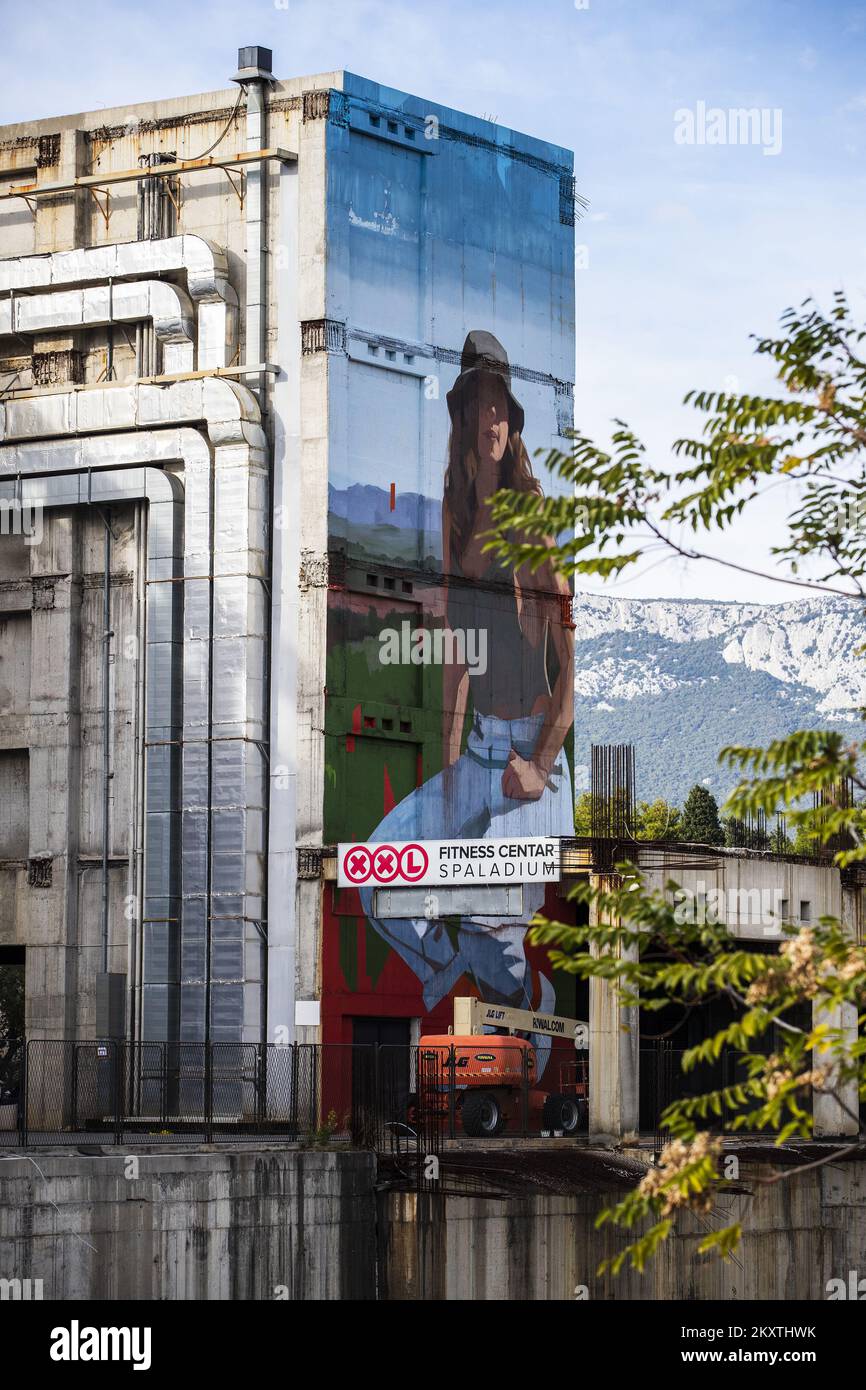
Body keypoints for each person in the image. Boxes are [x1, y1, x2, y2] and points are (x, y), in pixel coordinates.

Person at [360, 331, 574, 1065]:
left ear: (511, 423)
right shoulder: (453, 519)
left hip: (534, 762)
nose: (490, 420)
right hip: (480, 753)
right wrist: (450, 772)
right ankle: (453, 969)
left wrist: (540, 766)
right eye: (477, 404)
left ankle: (527, 1003)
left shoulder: (535, 525)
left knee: (486, 905)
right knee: (376, 868)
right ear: (462, 417)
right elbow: (455, 665)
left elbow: (570, 672)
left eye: (501, 407)